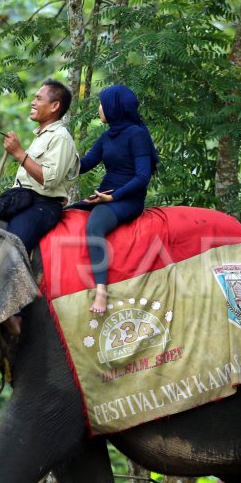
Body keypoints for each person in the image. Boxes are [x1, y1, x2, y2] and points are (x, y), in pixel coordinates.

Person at [76, 84, 159, 314]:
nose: (99, 109)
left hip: (127, 199)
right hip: (106, 195)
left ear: (114, 107)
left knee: (94, 226)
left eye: (102, 104)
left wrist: (113, 198)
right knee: (70, 212)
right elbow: (83, 165)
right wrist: (52, 156)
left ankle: (102, 291)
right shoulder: (107, 137)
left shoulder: (137, 134)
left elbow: (142, 177)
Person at [1, 79, 79, 256]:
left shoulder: (61, 137)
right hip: (23, 201)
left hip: (42, 206)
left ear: (54, 106)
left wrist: (19, 152)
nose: (32, 102)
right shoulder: (42, 136)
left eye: (39, 98)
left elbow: (49, 179)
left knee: (10, 254)